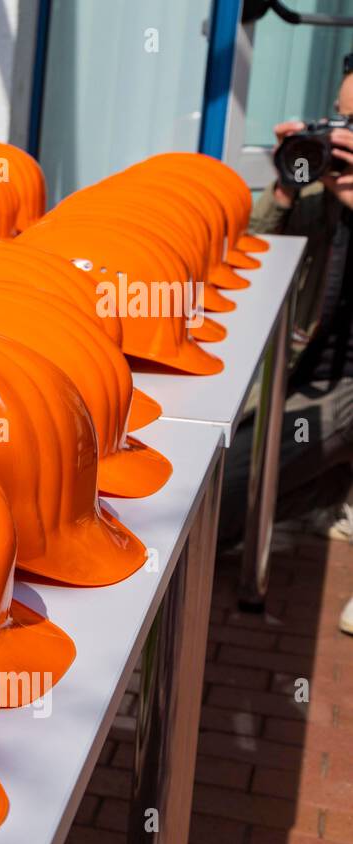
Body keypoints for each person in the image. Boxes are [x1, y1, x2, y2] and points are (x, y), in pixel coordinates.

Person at [219, 68, 353, 632]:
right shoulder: (321, 192)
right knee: (230, 487)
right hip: (307, 377)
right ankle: (329, 490)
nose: (345, 136)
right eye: (340, 118)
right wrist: (286, 184)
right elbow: (247, 260)